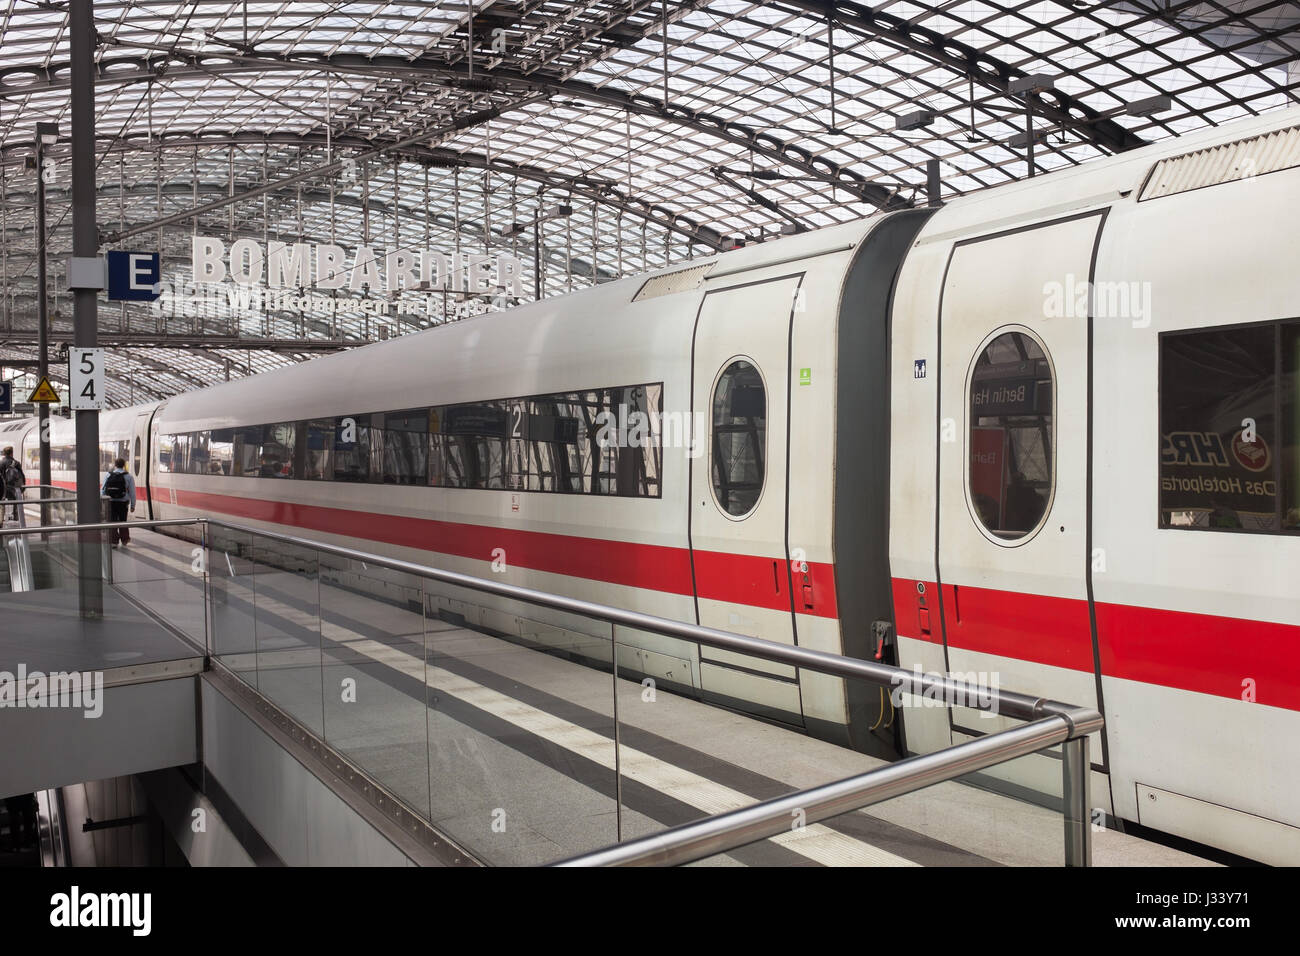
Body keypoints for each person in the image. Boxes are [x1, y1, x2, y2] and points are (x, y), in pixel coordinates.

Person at [101, 457, 136, 547]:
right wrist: (133, 505)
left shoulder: (108, 475)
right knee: (123, 520)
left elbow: (103, 489)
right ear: (124, 465)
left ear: (115, 465)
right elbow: (132, 492)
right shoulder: (128, 476)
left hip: (111, 502)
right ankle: (124, 540)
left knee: (112, 521)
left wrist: (103, 501)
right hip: (123, 502)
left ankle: (114, 541)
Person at [0, 445, 24, 523]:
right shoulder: (16, 463)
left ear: (4, 453)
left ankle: (1, 520)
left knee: (2, 504)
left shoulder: (1, 463)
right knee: (16, 502)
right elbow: (22, 476)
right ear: (12, 453)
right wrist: (22, 488)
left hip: (3, 488)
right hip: (14, 488)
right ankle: (16, 518)